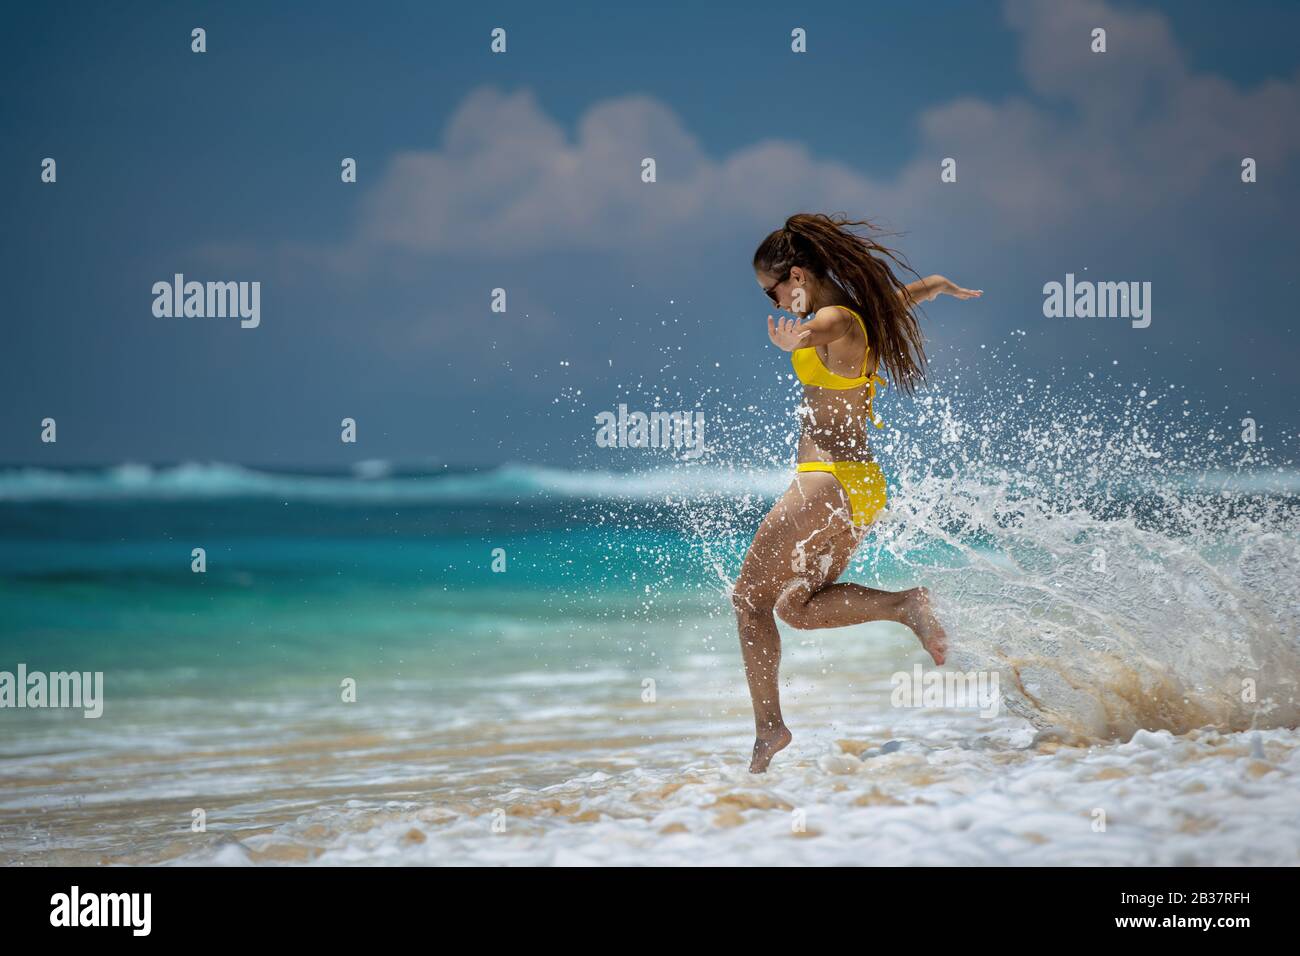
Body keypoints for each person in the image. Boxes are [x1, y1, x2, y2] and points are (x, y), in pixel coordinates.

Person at [735, 212, 982, 772]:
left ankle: (769, 731)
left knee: (749, 602)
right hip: (858, 487)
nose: (773, 302)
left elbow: (819, 328)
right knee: (795, 607)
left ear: (796, 275)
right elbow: (895, 301)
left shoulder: (832, 318)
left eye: (772, 290)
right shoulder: (860, 313)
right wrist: (936, 285)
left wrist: (794, 338)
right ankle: (905, 605)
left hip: (828, 483)